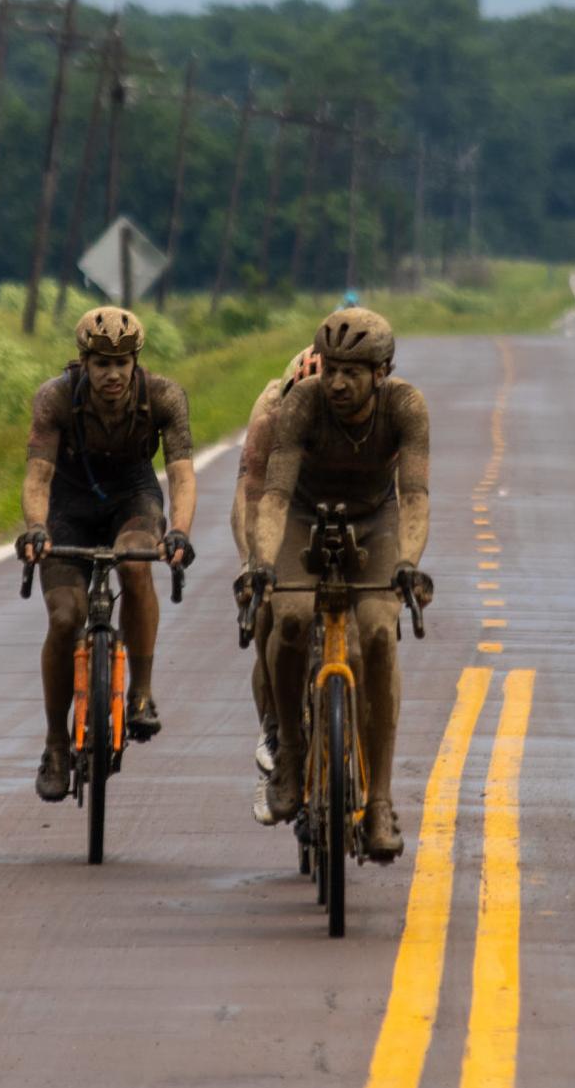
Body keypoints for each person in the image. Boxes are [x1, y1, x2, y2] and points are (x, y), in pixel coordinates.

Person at [244, 307, 430, 860]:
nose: (339, 383)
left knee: (376, 633)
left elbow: (415, 498)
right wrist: (262, 561)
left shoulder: (407, 408)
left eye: (353, 371)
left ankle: (379, 803)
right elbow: (274, 497)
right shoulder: (301, 403)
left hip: (376, 520)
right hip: (304, 513)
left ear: (383, 371)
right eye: (331, 369)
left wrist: (409, 560)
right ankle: (292, 759)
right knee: (292, 616)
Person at [17, 306, 197, 803]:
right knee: (64, 617)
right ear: (84, 362)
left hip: (133, 498)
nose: (112, 375)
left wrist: (178, 532)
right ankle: (56, 743)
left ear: (137, 360)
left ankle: (140, 692)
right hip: (68, 505)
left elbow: (181, 472)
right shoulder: (54, 398)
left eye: (122, 364)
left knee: (137, 564)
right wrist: (36, 528)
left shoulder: (164, 397)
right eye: (101, 364)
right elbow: (37, 478)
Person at [229, 345, 319, 820]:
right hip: (271, 503)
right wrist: (254, 566)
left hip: (332, 502)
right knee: (269, 603)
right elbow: (253, 499)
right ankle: (272, 727)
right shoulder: (269, 410)